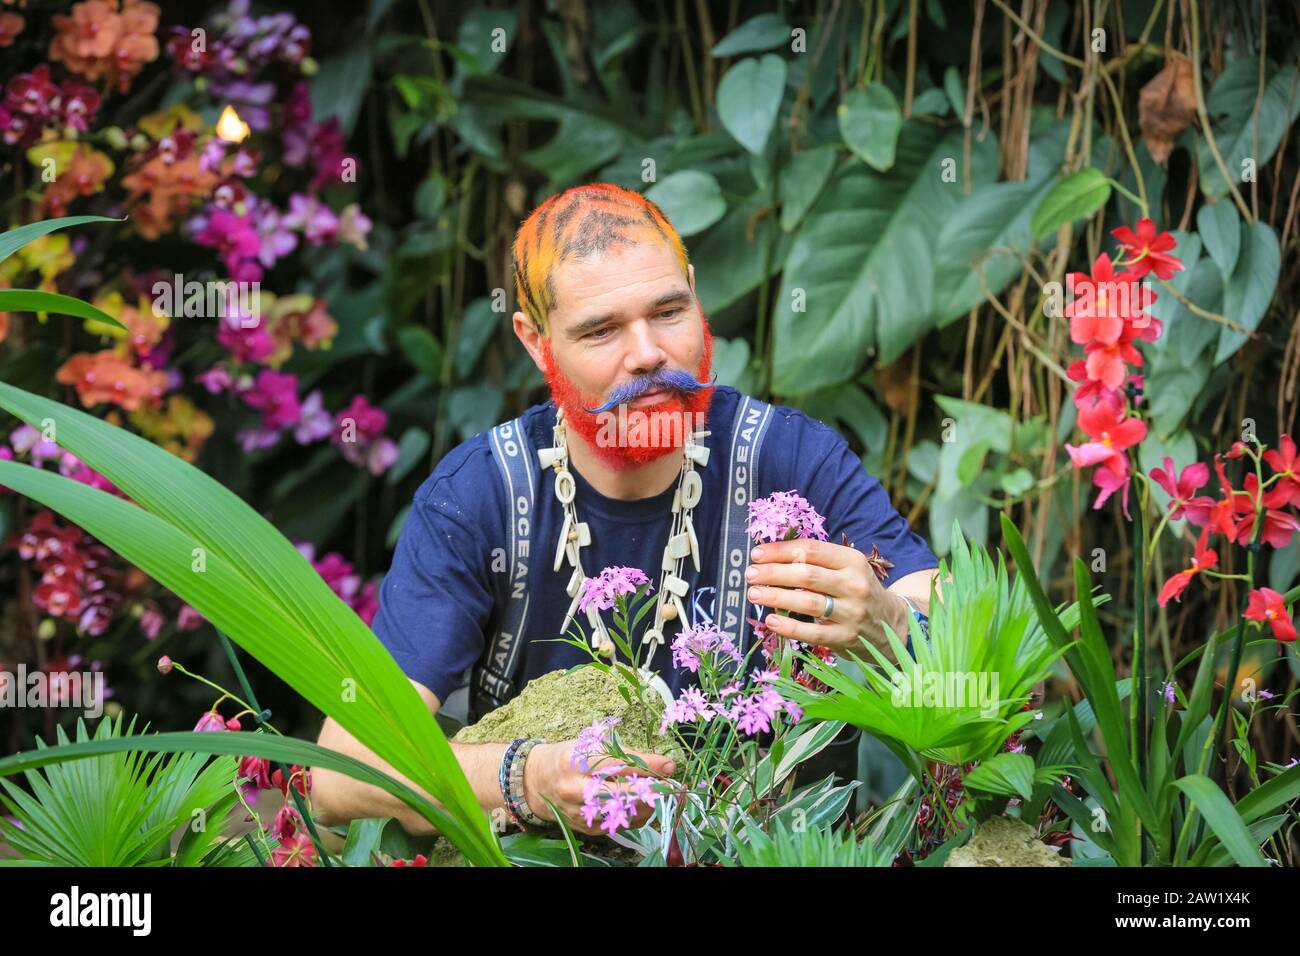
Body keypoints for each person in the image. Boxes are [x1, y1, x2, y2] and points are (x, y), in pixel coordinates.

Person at [312, 182, 940, 838]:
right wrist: (528, 778)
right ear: (537, 342)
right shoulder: (480, 496)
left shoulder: (790, 459)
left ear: (696, 295)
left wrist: (892, 622)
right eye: (602, 329)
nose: (647, 353)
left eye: (669, 311)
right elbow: (341, 772)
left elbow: (965, 643)